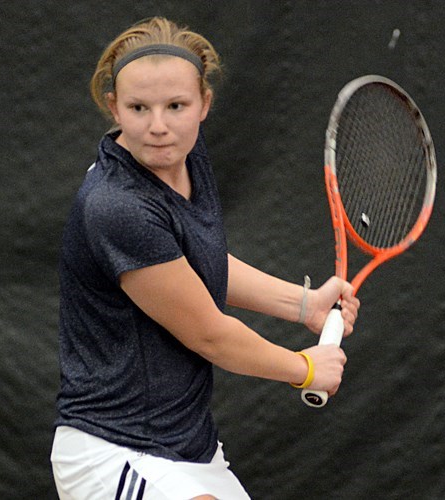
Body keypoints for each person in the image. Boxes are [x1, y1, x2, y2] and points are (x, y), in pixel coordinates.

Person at [51, 16, 360, 499]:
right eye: (138, 108)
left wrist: (305, 306)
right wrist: (303, 367)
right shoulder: (117, 206)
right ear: (114, 107)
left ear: (204, 105)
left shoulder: (184, 157)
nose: (158, 126)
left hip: (191, 451)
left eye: (176, 105)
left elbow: (195, 263)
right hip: (114, 452)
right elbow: (209, 335)